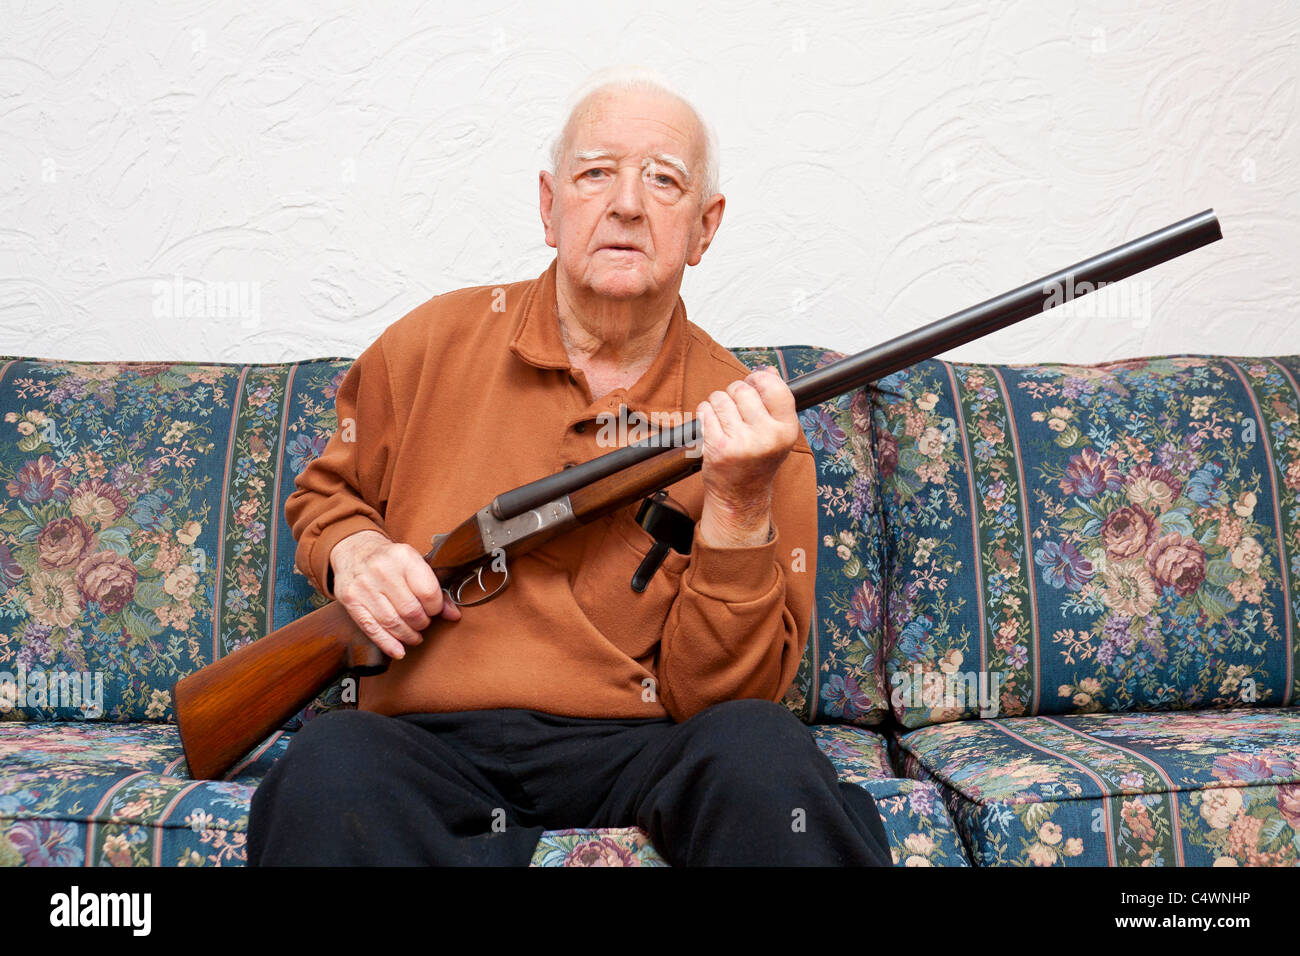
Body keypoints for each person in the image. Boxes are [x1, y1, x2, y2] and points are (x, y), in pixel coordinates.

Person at [247, 67, 890, 866]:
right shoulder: (428, 344)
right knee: (328, 770)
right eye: (596, 174)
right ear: (550, 207)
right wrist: (360, 554)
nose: (626, 203)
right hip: (422, 742)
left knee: (763, 754)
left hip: (642, 744)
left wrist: (738, 500)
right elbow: (325, 496)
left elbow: (720, 699)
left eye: (664, 180)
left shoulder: (754, 429)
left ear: (705, 226)